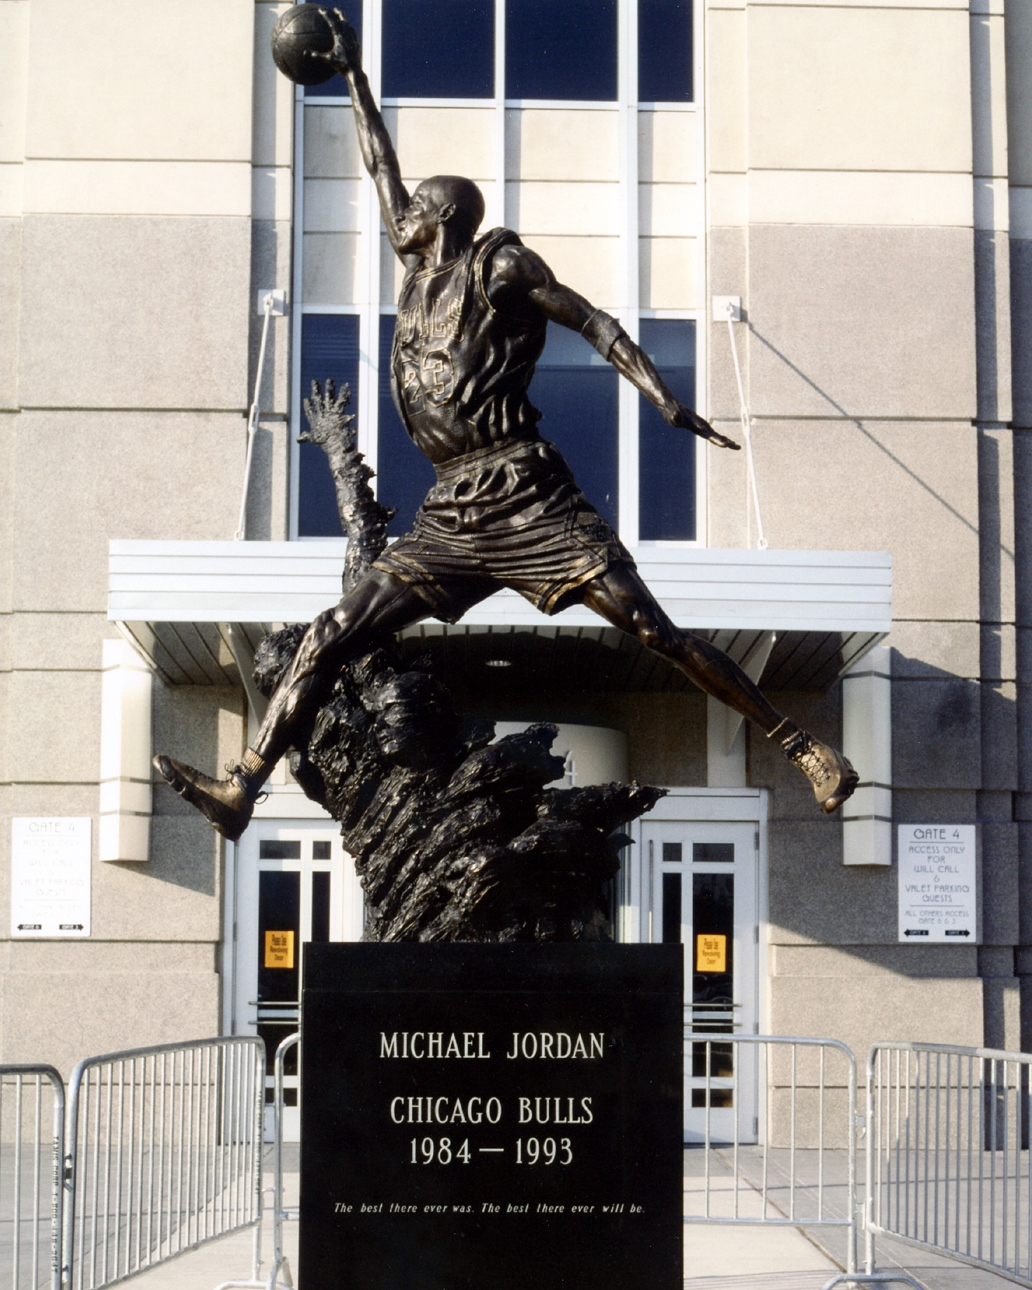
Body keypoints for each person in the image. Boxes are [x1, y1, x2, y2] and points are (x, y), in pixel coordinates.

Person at [154, 9, 857, 840]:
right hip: (450, 511)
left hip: (525, 491)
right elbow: (380, 163)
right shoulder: (417, 268)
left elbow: (593, 320)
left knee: (651, 629)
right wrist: (351, 76)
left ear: (443, 216)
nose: (399, 214)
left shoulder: (499, 265)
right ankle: (243, 787)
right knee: (331, 631)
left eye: (414, 208)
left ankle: (804, 746)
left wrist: (662, 397)